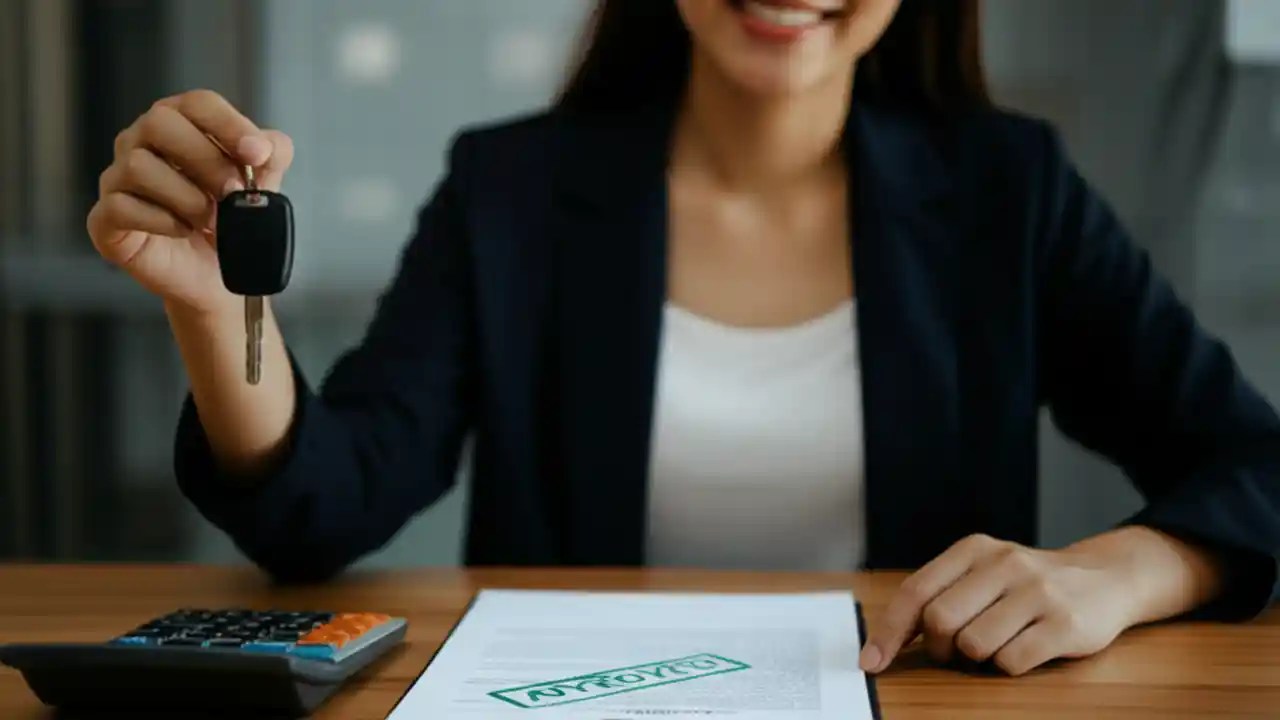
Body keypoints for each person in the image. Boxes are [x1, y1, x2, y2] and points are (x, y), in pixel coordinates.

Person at [86, 0, 1279, 677]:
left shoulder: (1007, 190)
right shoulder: (511, 190)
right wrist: (216, 305)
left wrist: (1118, 572)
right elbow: (320, 509)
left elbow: (1253, 465)